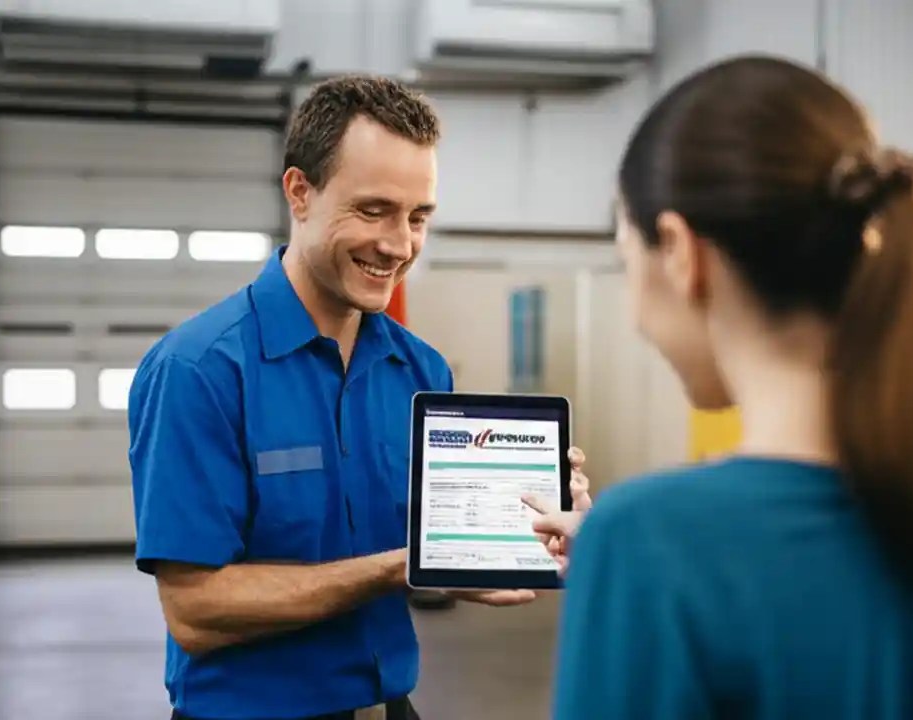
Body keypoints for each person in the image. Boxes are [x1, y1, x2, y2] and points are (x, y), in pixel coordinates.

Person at [530, 56, 913, 719]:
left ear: (680, 252)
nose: (636, 311)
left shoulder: (649, 542)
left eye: (626, 259)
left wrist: (628, 567)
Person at [127, 74, 590, 720]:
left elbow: (438, 551)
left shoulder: (419, 370)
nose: (399, 244)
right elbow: (196, 612)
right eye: (373, 211)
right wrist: (397, 568)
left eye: (418, 217)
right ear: (300, 192)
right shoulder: (199, 371)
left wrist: (530, 524)